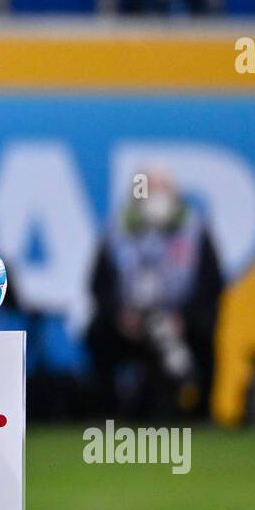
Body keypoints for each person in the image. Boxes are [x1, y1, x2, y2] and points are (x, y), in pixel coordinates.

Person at [86, 170, 224, 419]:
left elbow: (211, 287)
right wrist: (120, 315)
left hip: (180, 319)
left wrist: (184, 318)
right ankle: (106, 411)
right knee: (97, 334)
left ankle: (200, 412)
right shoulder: (118, 230)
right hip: (129, 320)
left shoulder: (194, 231)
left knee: (206, 333)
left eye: (162, 189)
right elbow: (98, 285)